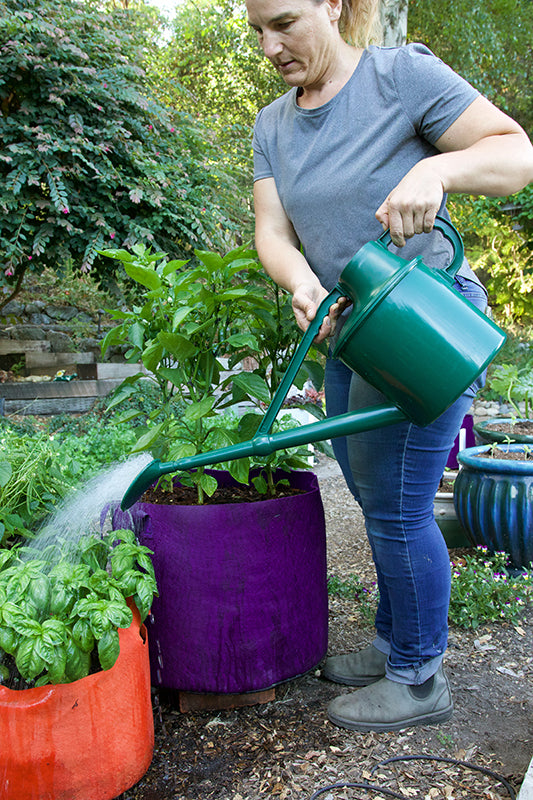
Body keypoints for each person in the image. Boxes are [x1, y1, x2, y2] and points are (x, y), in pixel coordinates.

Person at [246, 0, 533, 732]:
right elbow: (271, 231)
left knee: (402, 505)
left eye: (284, 22)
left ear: (333, 6)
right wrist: (300, 283)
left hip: (421, 324)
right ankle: (393, 642)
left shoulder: (399, 76)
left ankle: (417, 679)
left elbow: (514, 155)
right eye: (257, 30)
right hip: (352, 329)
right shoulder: (273, 124)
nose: (270, 45)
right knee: (379, 499)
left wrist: (438, 168)